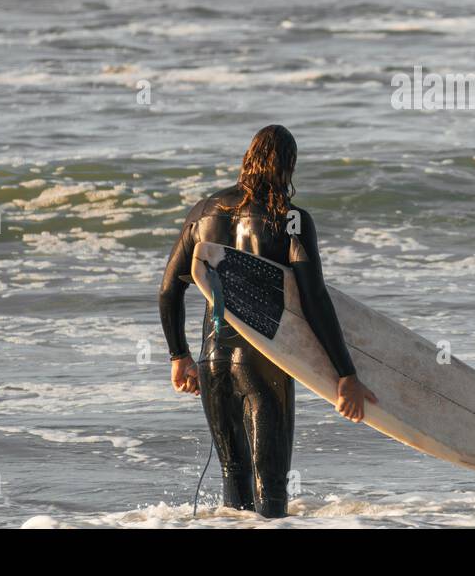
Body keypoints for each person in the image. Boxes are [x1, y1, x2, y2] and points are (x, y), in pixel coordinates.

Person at [157, 124, 376, 517]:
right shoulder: (291, 220)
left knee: (233, 481)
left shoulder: (204, 212)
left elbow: (169, 289)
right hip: (264, 362)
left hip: (213, 361)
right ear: (287, 166)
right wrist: (346, 374)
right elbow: (313, 300)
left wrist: (179, 356)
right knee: (271, 488)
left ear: (247, 160)